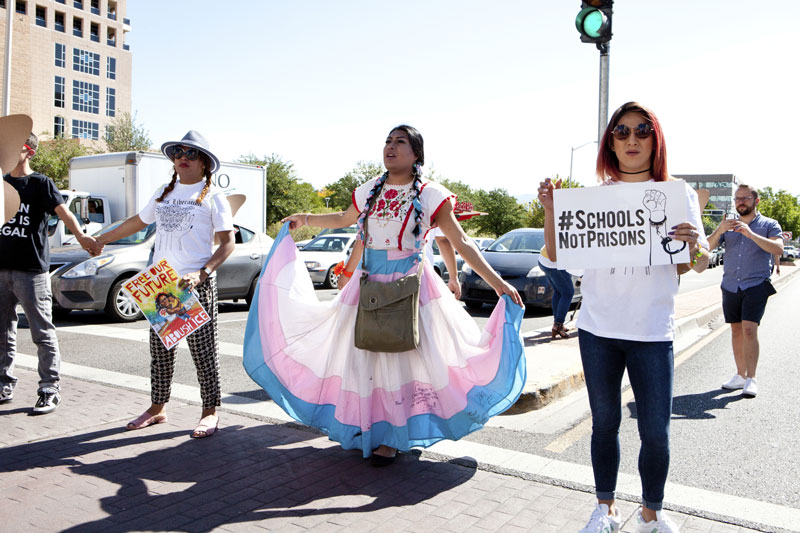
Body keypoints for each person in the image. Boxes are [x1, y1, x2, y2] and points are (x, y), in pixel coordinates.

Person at [243, 125, 525, 466]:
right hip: (368, 287)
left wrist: (497, 284)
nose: (390, 147)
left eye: (400, 142)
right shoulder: (370, 190)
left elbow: (461, 242)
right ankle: (371, 427)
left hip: (409, 290)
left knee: (401, 362)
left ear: (416, 154)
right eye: (388, 141)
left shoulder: (431, 194)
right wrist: (305, 218)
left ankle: (392, 437)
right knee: (365, 361)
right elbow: (344, 218)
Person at [539, 102, 709, 533]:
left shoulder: (678, 192)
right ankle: (606, 509)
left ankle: (651, 513)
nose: (632, 139)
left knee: (656, 432)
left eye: (642, 130)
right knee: (605, 425)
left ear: (656, 139)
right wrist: (550, 212)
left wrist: (693, 245)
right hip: (598, 330)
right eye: (622, 131)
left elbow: (699, 262)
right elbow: (562, 259)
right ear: (610, 143)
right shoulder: (592, 198)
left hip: (653, 330)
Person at [94, 130, 235, 438]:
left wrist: (203, 273)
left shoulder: (213, 197)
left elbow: (228, 243)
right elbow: (137, 222)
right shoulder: (163, 191)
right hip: (161, 283)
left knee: (203, 352)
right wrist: (102, 239)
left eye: (191, 154)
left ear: (205, 164)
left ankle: (210, 412)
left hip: (192, 283)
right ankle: (158, 409)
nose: (182, 158)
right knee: (160, 352)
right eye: (178, 153)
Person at [1, 132, 101, 414]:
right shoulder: (1, 183)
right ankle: (3, 384)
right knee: (1, 333)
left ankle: (49, 389)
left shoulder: (40, 183)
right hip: (0, 269)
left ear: (29, 151)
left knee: (42, 333)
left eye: (12, 146)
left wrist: (83, 238)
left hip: (31, 271)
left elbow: (65, 213)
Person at [706, 185, 783, 399]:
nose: (741, 201)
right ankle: (740, 375)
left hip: (755, 284)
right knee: (736, 330)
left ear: (756, 201)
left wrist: (750, 234)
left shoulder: (769, 224)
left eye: (745, 198)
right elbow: (707, 247)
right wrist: (719, 230)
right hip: (730, 284)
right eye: (737, 198)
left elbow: (778, 249)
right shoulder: (728, 226)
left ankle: (751, 378)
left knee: (749, 329)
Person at [538, 244, 575, 338]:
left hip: (544, 259)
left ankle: (557, 323)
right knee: (568, 293)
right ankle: (558, 325)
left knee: (559, 292)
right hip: (554, 263)